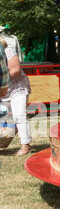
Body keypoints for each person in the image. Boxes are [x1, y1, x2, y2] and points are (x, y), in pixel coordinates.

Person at [0, 29, 31, 157]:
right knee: (5, 125)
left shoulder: (7, 51)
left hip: (17, 88)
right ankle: (13, 129)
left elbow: (15, 70)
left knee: (19, 116)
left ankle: (25, 146)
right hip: (2, 91)